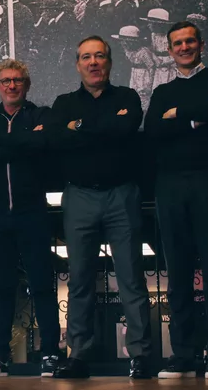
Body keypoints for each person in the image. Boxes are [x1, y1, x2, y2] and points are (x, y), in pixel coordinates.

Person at [49, 36, 153, 379]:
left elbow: (124, 127)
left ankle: (140, 356)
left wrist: (80, 127)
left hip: (121, 195)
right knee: (79, 279)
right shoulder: (63, 102)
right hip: (79, 196)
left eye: (100, 57)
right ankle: (78, 355)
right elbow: (58, 137)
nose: (93, 63)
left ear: (109, 62)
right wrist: (99, 128)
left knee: (130, 278)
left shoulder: (127, 97)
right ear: (78, 64)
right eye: (86, 58)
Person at [144, 21, 208, 379]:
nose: (184, 47)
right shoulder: (163, 91)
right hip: (169, 184)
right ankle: (182, 354)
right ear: (169, 50)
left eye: (189, 41)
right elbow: (153, 129)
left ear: (201, 44)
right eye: (177, 43)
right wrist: (198, 116)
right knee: (178, 270)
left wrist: (179, 117)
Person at [0, 59, 61, 377]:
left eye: (17, 80)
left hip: (32, 212)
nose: (11, 85)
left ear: (26, 85)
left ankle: (50, 353)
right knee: (3, 286)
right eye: (5, 81)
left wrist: (2, 142)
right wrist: (22, 141)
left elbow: (44, 142)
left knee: (42, 285)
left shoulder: (41, 115)